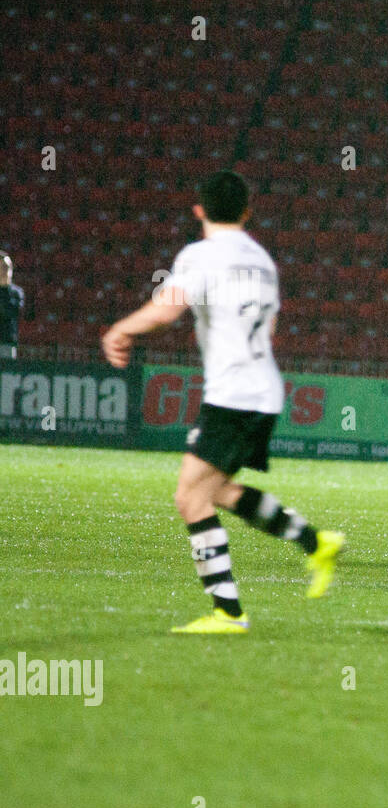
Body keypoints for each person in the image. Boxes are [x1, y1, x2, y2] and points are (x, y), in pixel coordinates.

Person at [101, 169, 344, 634]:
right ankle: (315, 542)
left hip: (233, 393)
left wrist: (122, 328)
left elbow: (168, 308)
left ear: (199, 211)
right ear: (247, 212)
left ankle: (228, 613)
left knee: (190, 497)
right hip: (264, 389)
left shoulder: (201, 255)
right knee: (216, 491)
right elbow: (269, 327)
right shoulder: (262, 259)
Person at [0, 251, 26, 360]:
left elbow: (12, 312)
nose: (5, 270)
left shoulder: (17, 292)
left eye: (7, 267)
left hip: (7, 341)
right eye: (2, 267)